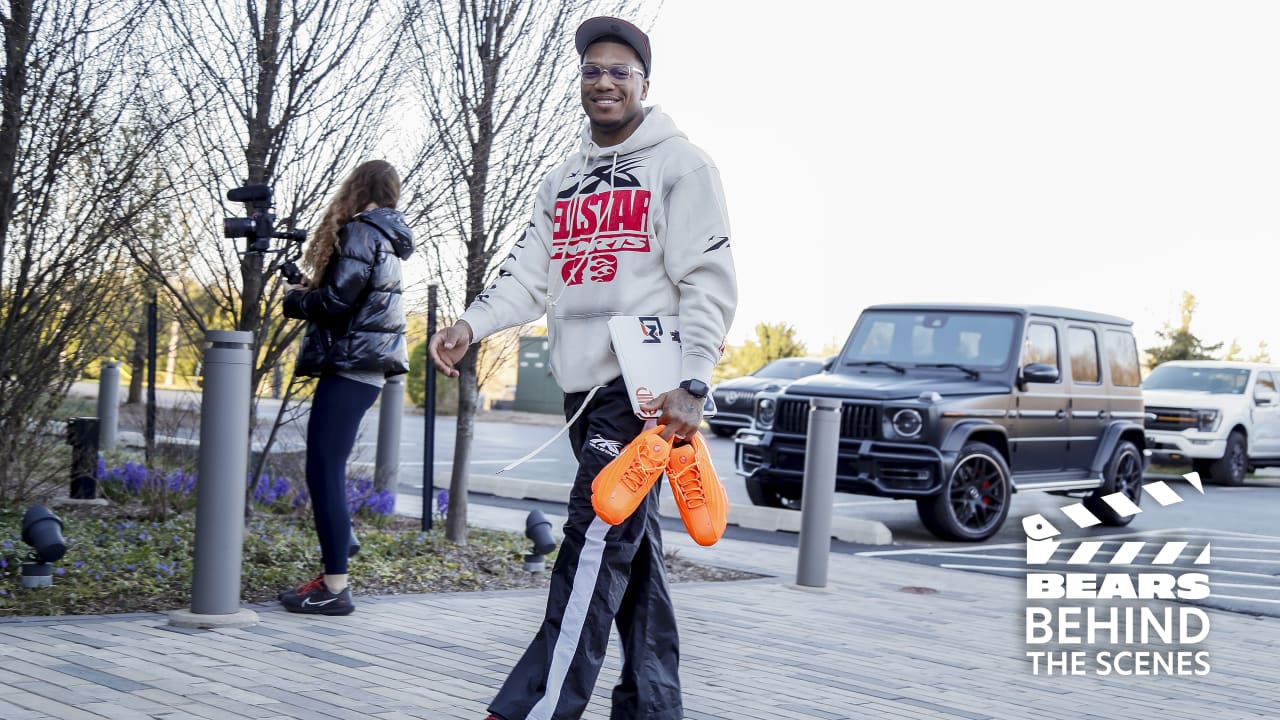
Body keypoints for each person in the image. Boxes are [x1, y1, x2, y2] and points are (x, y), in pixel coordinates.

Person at [429, 17, 736, 720]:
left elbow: (708, 281)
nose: (604, 81)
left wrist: (693, 381)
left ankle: (534, 708)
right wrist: (471, 324)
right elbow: (527, 277)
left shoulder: (682, 167)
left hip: (644, 393)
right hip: (583, 390)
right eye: (592, 70)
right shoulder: (563, 180)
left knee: (593, 541)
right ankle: (653, 707)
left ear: (643, 84)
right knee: (630, 549)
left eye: (619, 71)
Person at [279, 159, 414, 616]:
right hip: (365, 366)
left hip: (351, 365)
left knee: (324, 470)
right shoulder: (387, 237)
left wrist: (296, 300)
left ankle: (335, 587)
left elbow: (337, 302)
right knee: (325, 468)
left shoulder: (360, 231)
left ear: (358, 187)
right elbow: (355, 296)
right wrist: (312, 287)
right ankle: (340, 549)